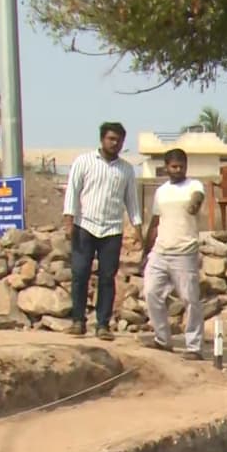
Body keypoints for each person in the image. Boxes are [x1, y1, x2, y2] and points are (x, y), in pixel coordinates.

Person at [63, 121, 143, 340]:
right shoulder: (84, 161)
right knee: (80, 274)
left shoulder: (126, 169)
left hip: (111, 230)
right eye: (111, 139)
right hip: (84, 226)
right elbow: (72, 191)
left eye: (118, 140)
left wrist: (137, 228)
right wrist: (68, 220)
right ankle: (78, 321)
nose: (114, 143)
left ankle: (102, 325)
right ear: (102, 139)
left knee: (107, 277)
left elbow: (132, 201)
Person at [142, 149, 205, 360]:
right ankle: (162, 339)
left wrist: (194, 204)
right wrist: (145, 250)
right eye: (174, 166)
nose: (178, 170)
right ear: (166, 167)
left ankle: (194, 347)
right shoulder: (161, 192)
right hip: (160, 251)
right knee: (151, 292)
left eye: (181, 166)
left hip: (184, 252)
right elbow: (154, 222)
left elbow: (198, 197)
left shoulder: (194, 186)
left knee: (190, 299)